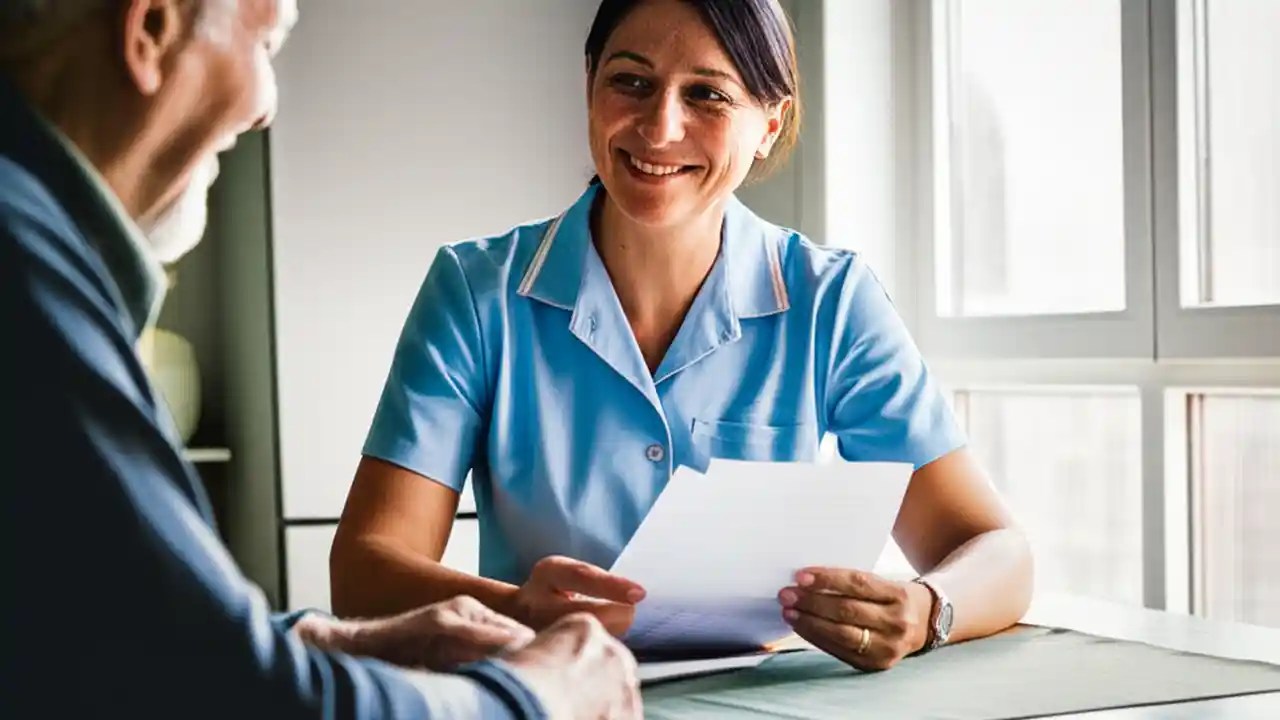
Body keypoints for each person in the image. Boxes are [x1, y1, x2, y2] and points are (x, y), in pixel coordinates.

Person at [332, 0, 1034, 673]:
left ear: (769, 123)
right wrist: (518, 610)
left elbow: (997, 552)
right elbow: (364, 572)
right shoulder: (477, 291)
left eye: (708, 95)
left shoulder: (832, 302)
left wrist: (924, 609)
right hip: (544, 695)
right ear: (589, 86)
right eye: (631, 82)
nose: (659, 128)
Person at [2, 1, 641, 718]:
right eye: (267, 45)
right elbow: (237, 693)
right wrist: (535, 696)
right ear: (149, 29)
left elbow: (122, 637)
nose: (266, 107)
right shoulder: (19, 265)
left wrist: (313, 643)